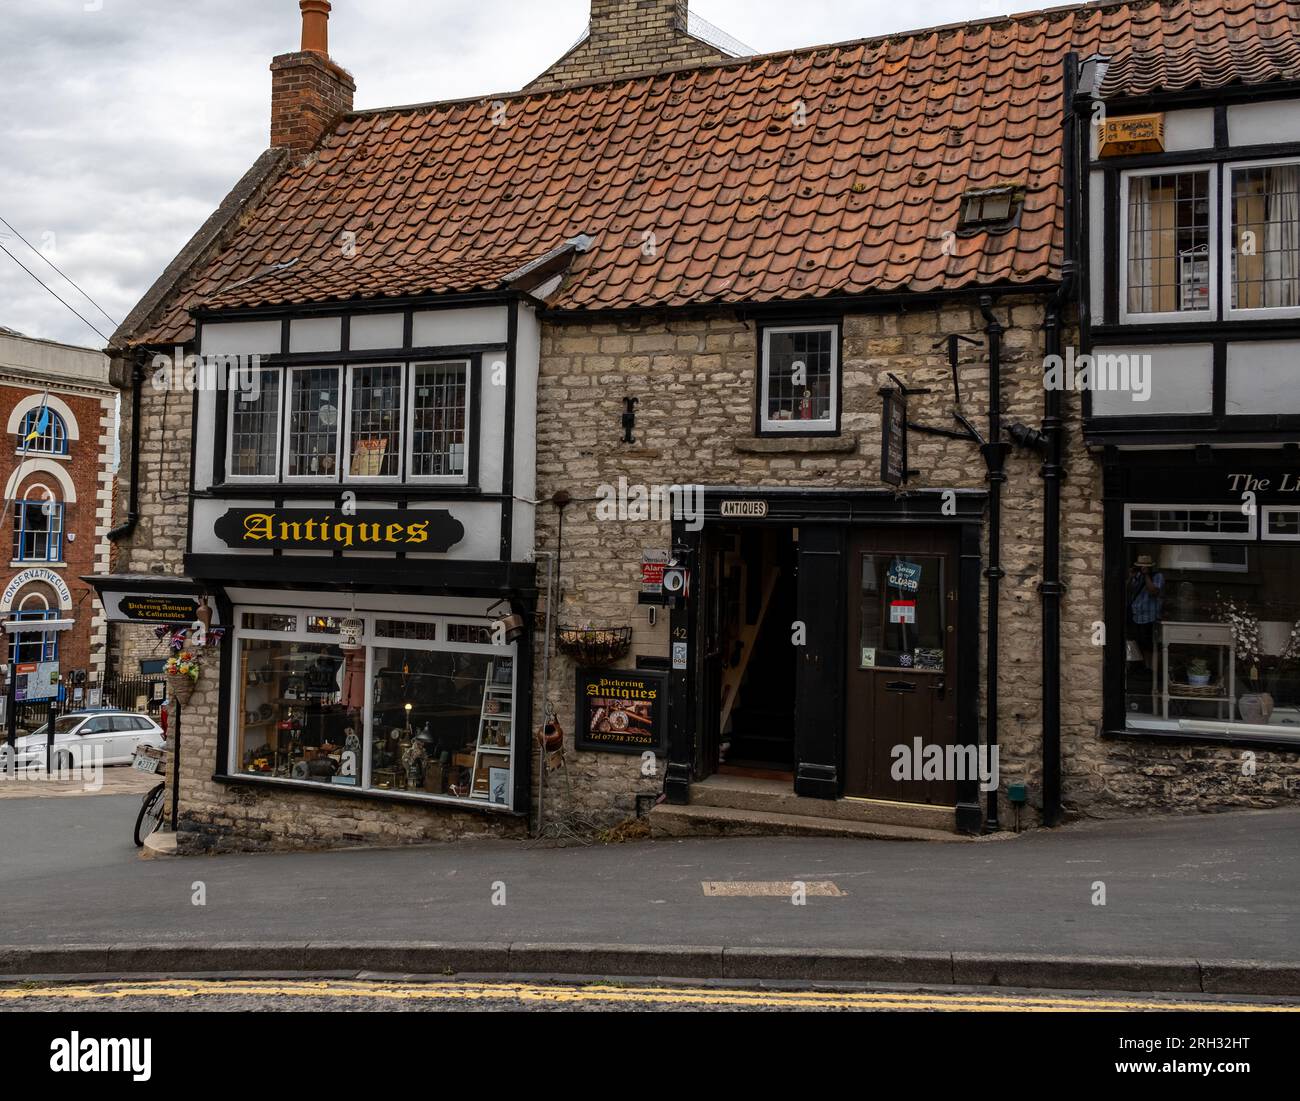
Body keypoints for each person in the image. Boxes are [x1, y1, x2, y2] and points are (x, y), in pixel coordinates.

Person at [1127, 553, 1165, 674]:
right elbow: (1128, 591)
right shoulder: (1137, 576)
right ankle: (1146, 668)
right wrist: (1131, 577)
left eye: (1144, 566)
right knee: (1141, 644)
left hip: (1150, 616)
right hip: (1137, 615)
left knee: (1151, 645)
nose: (1142, 568)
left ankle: (1152, 670)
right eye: (1140, 566)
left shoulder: (1157, 576)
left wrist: (1147, 575)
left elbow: (1153, 591)